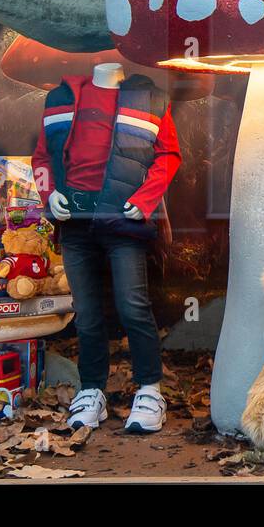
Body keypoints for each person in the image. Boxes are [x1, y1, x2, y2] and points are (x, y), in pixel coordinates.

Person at [32, 62, 180, 433]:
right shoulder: (59, 99)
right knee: (87, 312)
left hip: (123, 220)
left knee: (133, 306)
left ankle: (149, 389)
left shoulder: (148, 99)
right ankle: (92, 390)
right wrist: (49, 195)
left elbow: (169, 155)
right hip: (75, 223)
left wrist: (145, 199)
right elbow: (42, 157)